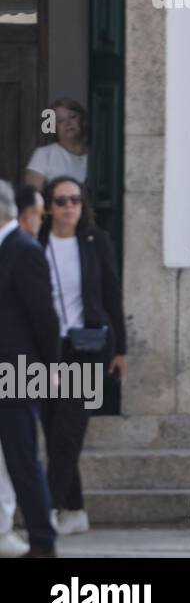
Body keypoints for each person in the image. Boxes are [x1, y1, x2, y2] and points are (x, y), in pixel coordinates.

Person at [37, 176, 126, 536]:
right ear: (48, 207)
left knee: (67, 435)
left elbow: (111, 295)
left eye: (75, 199)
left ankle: (46, 510)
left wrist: (120, 349)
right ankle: (74, 510)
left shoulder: (96, 241)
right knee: (52, 427)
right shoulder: (35, 242)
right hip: (44, 350)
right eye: (61, 201)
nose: (69, 206)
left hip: (86, 349)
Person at [0, 180, 61, 557]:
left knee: (23, 460)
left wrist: (50, 368)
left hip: (18, 374)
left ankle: (43, 540)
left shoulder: (23, 249)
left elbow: (45, 317)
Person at [24, 98, 90, 189]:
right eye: (60, 120)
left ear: (82, 119)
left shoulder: (97, 153)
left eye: (72, 117)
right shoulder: (44, 154)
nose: (68, 123)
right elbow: (32, 196)